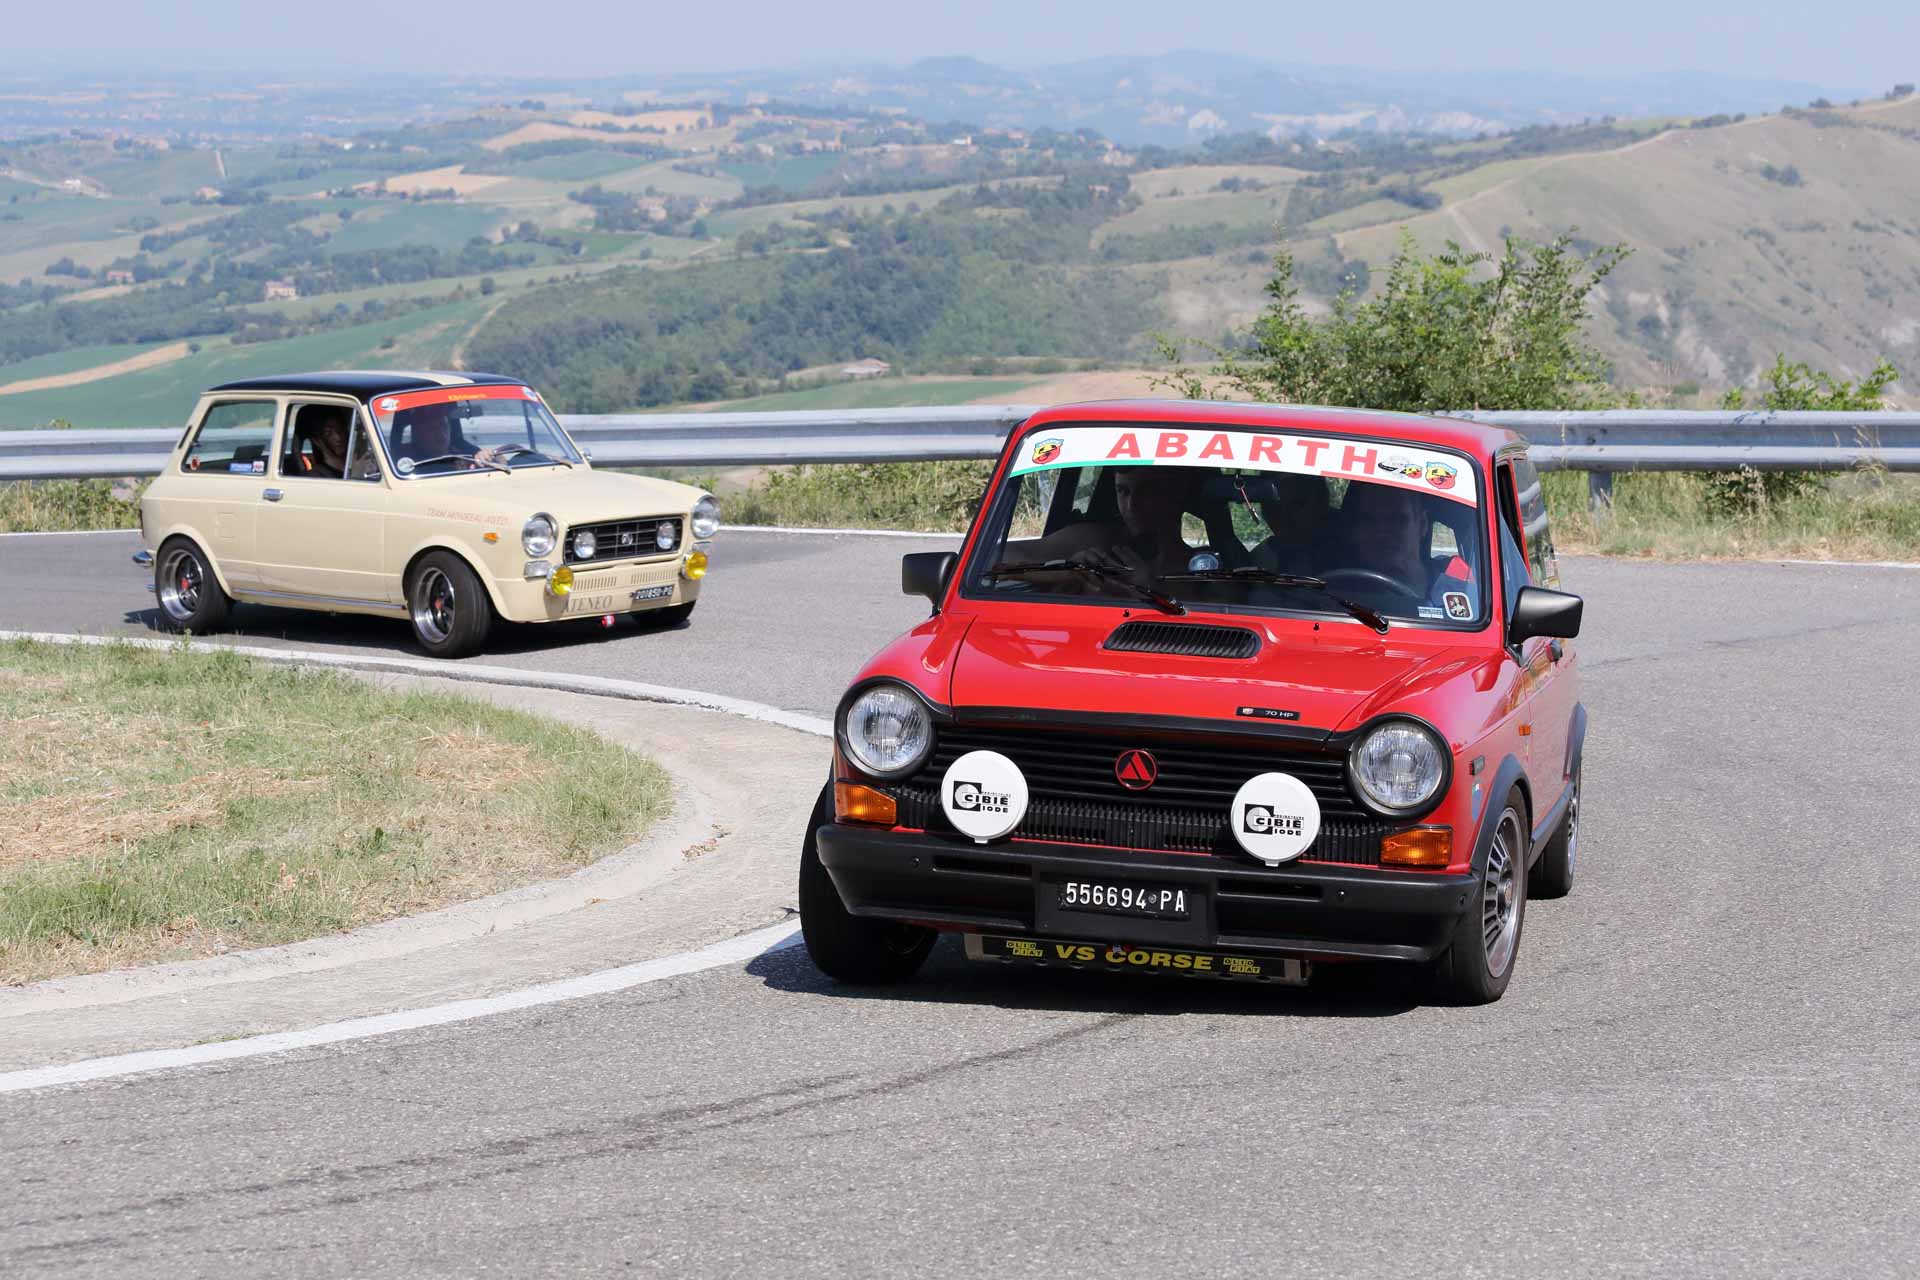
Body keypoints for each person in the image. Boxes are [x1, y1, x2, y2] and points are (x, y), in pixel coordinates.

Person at [1000, 466, 1207, 589]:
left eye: (1147, 491)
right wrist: (1059, 569)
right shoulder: (1096, 542)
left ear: (1175, 494)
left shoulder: (1206, 569)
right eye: (1122, 491)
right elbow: (992, 559)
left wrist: (1152, 590)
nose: (1131, 505)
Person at [1333, 480, 1476, 616]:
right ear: (1356, 530)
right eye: (1369, 520)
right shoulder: (1333, 596)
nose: (1382, 532)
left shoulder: (1463, 597)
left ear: (1422, 524)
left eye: (1397, 520)